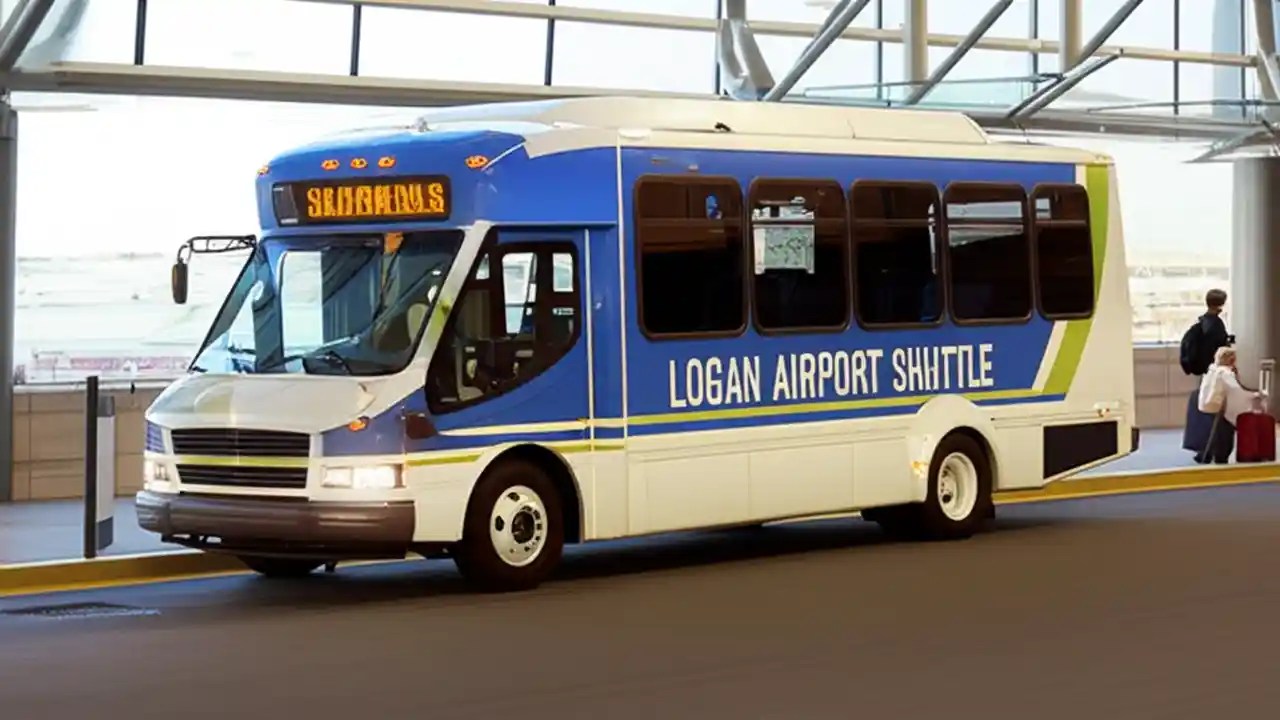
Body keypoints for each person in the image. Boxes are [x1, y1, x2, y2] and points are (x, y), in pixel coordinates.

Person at [1181, 288, 1232, 456]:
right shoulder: (1216, 324)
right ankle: (1210, 450)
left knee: (1205, 407)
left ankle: (1205, 450)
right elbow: (1218, 347)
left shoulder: (1203, 321)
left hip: (1203, 370)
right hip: (1212, 371)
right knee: (1214, 410)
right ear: (1221, 304)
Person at [1195, 346, 1262, 464]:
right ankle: (1220, 460)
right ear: (1231, 360)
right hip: (1221, 408)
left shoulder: (1212, 370)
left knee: (1214, 434)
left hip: (1209, 405)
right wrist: (1254, 395)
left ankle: (1206, 456)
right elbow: (1236, 391)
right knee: (1224, 438)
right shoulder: (1225, 373)